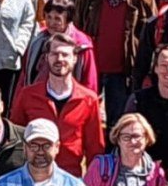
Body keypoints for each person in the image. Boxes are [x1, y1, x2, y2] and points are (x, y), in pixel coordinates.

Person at [73, 0, 155, 129]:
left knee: (117, 122)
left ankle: (115, 155)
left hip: (123, 72)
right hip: (92, 69)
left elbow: (152, 38)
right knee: (85, 117)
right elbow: (76, 32)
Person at [10, 33, 105, 175]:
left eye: (65, 55)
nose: (59, 59)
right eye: (54, 54)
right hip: (33, 176)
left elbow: (95, 149)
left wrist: (94, 183)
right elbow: (14, 140)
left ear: (75, 59)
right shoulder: (27, 95)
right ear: (46, 57)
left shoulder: (88, 100)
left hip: (71, 177)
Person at [17, 0, 96, 92]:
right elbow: (24, 76)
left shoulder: (81, 45)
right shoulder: (37, 41)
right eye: (48, 17)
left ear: (68, 21)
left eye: (57, 19)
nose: (51, 22)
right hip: (37, 99)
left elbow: (89, 82)